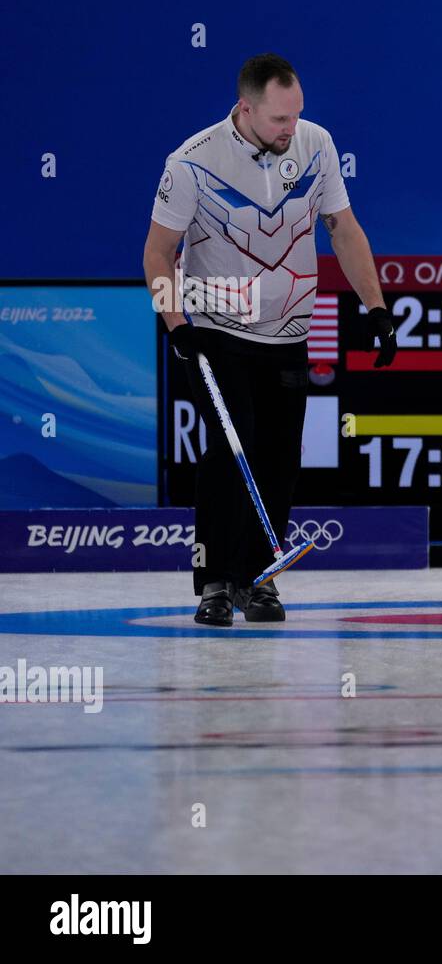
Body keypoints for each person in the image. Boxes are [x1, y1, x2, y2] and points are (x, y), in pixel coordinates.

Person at [142, 53, 398, 627]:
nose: (292, 129)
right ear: (246, 109)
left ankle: (260, 580)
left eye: (297, 115)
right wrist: (177, 327)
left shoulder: (317, 145)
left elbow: (343, 229)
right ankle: (213, 581)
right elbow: (158, 253)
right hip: (215, 331)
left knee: (280, 456)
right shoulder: (190, 164)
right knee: (233, 448)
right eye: (280, 119)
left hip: (289, 331)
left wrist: (377, 307)